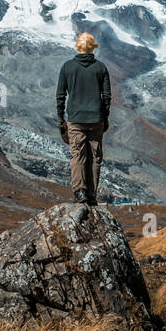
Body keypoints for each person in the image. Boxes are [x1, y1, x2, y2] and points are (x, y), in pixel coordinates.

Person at [55, 32, 111, 205]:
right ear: (93, 48)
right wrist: (104, 117)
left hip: (75, 119)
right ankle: (92, 195)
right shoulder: (101, 68)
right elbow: (107, 97)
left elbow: (60, 95)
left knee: (77, 156)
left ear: (77, 47)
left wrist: (60, 119)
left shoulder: (67, 67)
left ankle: (80, 192)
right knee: (95, 158)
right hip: (96, 120)